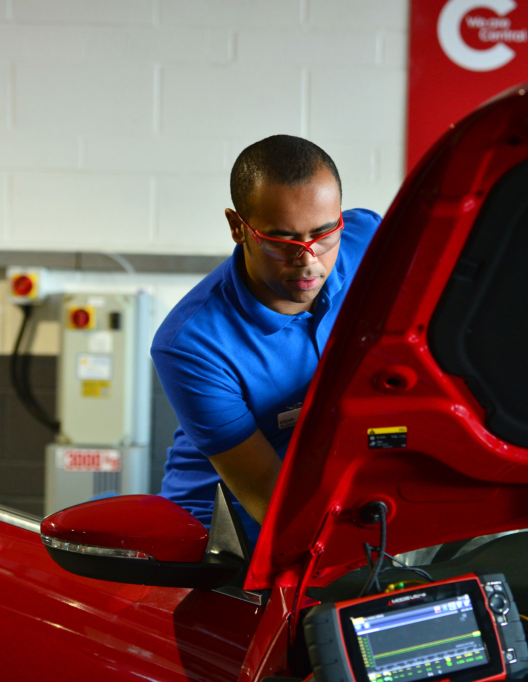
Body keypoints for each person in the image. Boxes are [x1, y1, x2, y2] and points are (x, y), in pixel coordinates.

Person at [151, 135, 382, 543]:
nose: (309, 259)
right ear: (238, 228)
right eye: (282, 241)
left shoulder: (366, 239)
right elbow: (269, 497)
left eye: (325, 233)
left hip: (339, 497)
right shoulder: (191, 345)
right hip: (228, 536)